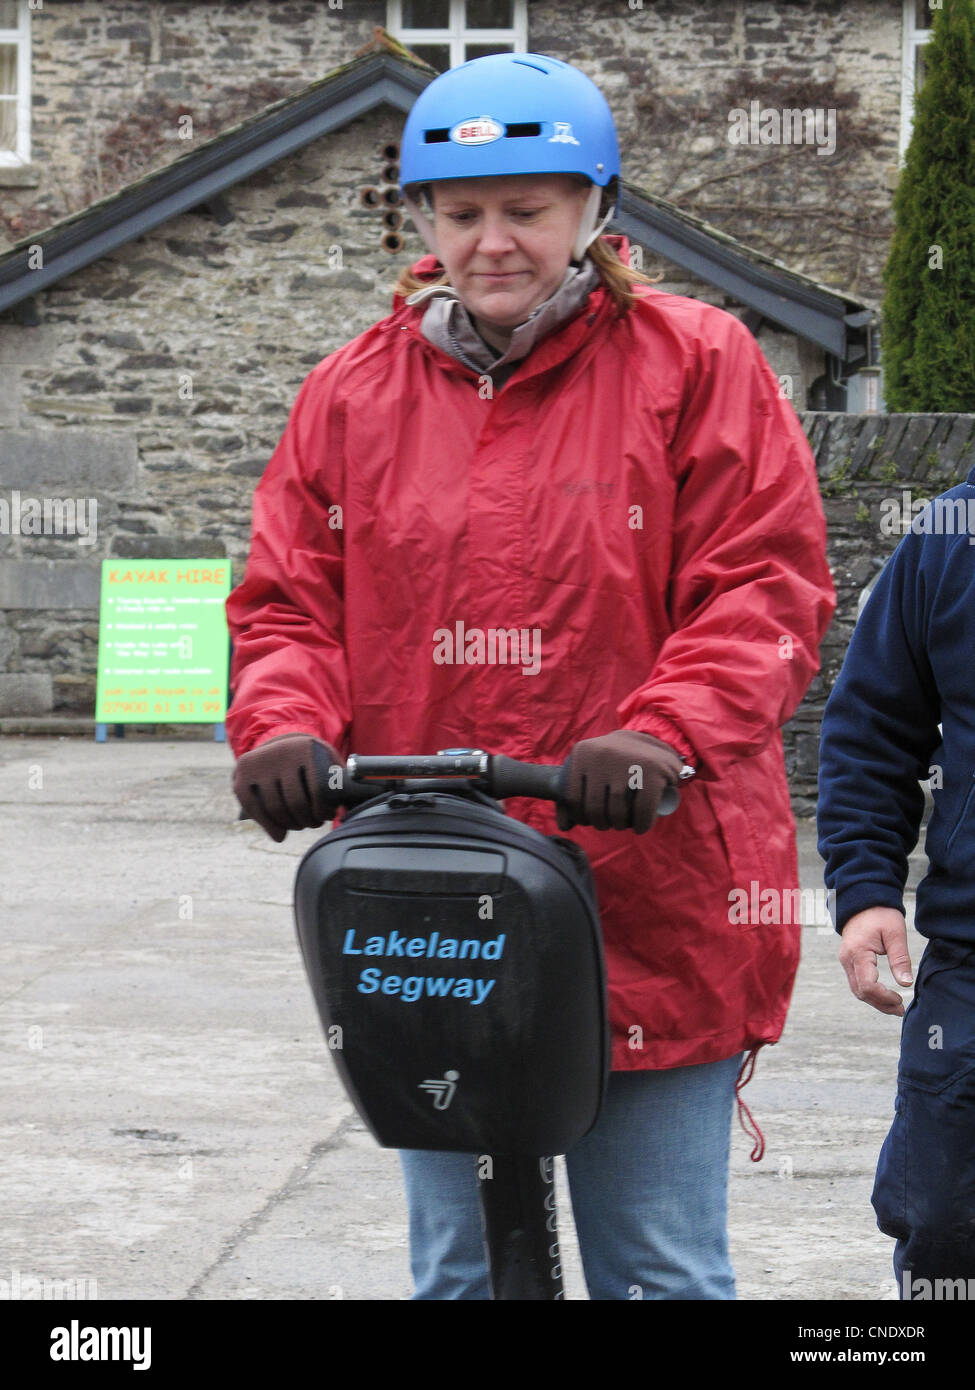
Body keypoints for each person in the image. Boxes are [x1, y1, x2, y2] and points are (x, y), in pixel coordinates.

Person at [226, 51, 836, 1300]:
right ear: (422, 222)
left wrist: (662, 732)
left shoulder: (696, 363)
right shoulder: (352, 393)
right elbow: (292, 599)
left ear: (594, 213)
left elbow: (762, 585)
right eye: (462, 213)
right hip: (432, 888)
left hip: (653, 877)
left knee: (658, 1267)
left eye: (528, 209)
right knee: (457, 1269)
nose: (493, 241)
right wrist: (284, 723)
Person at [817, 479, 975, 1298]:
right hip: (971, 961)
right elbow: (872, 723)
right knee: (946, 1228)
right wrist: (866, 890)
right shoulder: (955, 531)